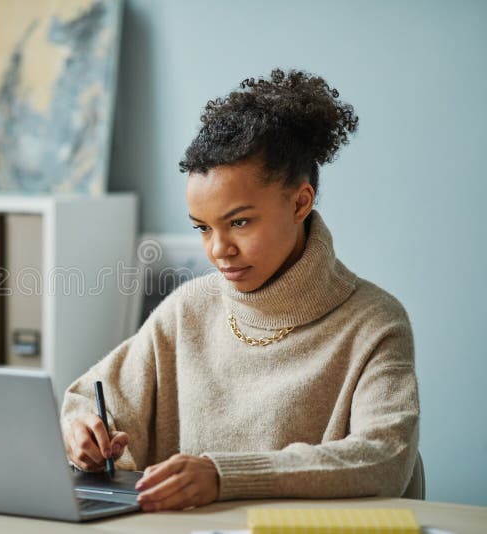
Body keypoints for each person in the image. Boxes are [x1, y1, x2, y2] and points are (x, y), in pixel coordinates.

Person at [60, 68, 419, 512]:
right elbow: (85, 401)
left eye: (240, 222)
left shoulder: (374, 321)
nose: (219, 249)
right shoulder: (188, 309)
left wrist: (223, 476)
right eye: (203, 228)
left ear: (300, 202)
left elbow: (385, 457)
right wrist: (83, 432)